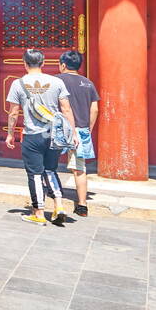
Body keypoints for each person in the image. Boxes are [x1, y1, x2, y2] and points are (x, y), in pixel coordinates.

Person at [6, 48, 77, 227]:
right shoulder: (57, 82)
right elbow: (66, 109)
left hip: (32, 135)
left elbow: (14, 112)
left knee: (35, 174)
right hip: (53, 135)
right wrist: (73, 132)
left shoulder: (18, 84)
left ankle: (38, 212)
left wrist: (10, 134)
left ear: (24, 63)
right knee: (51, 170)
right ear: (43, 63)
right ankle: (59, 205)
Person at [56, 50, 99, 218]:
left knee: (49, 164)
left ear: (63, 65)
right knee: (79, 169)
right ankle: (82, 205)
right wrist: (88, 128)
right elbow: (94, 109)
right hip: (81, 130)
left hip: (59, 129)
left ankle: (53, 195)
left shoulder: (56, 80)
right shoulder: (88, 83)